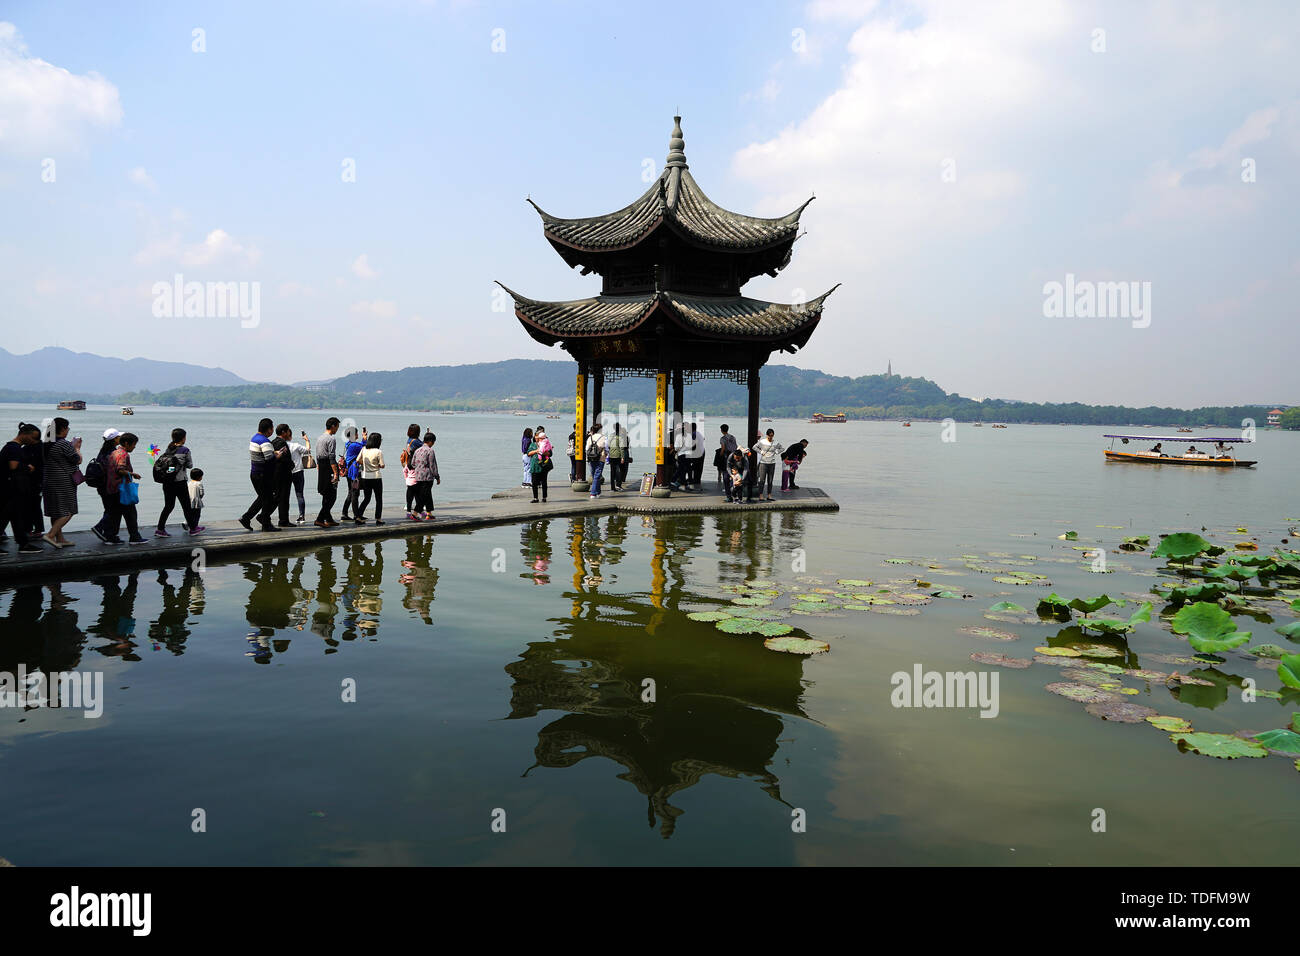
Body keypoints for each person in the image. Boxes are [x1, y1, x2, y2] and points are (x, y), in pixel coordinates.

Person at [41, 417, 82, 549]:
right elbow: (77, 460)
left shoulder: (46, 443)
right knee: (68, 511)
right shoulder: (63, 444)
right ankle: (50, 535)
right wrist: (76, 447)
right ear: (63, 429)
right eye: (67, 428)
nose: (68, 430)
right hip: (63, 481)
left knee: (56, 511)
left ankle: (60, 538)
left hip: (49, 480)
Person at [1, 424, 43, 552]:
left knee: (16, 516)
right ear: (24, 434)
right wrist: (28, 467)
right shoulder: (14, 448)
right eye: (32, 437)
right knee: (6, 516)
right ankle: (23, 543)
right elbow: (13, 466)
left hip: (12, 487)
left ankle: (23, 543)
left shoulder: (13, 447)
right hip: (11, 488)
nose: (33, 441)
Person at [154, 427, 202, 537]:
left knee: (168, 506)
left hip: (167, 482)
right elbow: (190, 465)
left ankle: (160, 529)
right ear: (183, 438)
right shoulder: (185, 450)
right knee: (186, 507)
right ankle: (193, 529)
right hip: (180, 482)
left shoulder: (168, 449)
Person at [239, 418, 281, 532]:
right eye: (272, 428)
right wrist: (277, 455)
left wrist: (273, 453)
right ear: (268, 429)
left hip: (254, 473)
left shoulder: (254, 438)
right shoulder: (265, 441)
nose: (272, 431)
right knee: (267, 499)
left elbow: (261, 454)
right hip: (263, 475)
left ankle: (247, 518)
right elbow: (269, 459)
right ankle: (265, 525)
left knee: (263, 498)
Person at [106, 432, 147, 544]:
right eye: (133, 444)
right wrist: (133, 474)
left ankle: (111, 537)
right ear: (126, 443)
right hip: (122, 489)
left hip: (112, 488)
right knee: (131, 514)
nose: (134, 447)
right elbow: (120, 469)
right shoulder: (123, 454)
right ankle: (134, 537)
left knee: (115, 514)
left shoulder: (114, 452)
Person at [89, 429, 122, 542]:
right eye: (118, 437)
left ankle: (109, 535)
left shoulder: (103, 451)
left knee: (109, 509)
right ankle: (100, 527)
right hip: (110, 486)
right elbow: (115, 470)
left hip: (102, 485)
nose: (120, 439)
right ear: (115, 439)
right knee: (114, 510)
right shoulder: (113, 453)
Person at [314, 418, 342, 528]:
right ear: (333, 426)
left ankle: (328, 519)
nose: (337, 429)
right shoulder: (331, 439)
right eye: (337, 427)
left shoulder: (320, 438)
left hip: (321, 466)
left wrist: (319, 467)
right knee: (332, 496)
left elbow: (317, 455)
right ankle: (320, 519)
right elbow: (331, 457)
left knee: (325, 494)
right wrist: (335, 473)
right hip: (328, 466)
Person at [356, 432, 385, 524]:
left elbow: (357, 460)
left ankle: (358, 516)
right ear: (378, 442)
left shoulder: (364, 449)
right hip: (376, 476)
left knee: (367, 498)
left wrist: (364, 464)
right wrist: (378, 466)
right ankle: (378, 518)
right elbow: (382, 465)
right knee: (378, 498)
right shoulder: (378, 451)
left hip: (365, 477)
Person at [410, 432, 440, 520]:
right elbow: (432, 465)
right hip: (427, 477)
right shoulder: (430, 451)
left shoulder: (417, 450)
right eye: (433, 442)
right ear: (430, 441)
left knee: (427, 494)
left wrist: (419, 468)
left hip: (418, 476)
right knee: (423, 496)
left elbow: (412, 463)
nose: (433, 444)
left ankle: (429, 513)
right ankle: (415, 513)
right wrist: (437, 476)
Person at [339, 426, 365, 522]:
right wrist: (365, 438)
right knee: (355, 493)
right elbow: (365, 447)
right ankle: (356, 516)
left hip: (349, 471)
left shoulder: (348, 443)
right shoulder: (355, 445)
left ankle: (344, 513)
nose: (358, 435)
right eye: (357, 434)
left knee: (351, 492)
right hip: (354, 471)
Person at [751, 428, 784, 502]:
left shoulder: (775, 442)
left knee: (770, 480)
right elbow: (754, 447)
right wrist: (761, 451)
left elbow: (782, 448)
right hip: (763, 463)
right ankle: (761, 495)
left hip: (772, 463)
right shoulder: (762, 442)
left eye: (772, 436)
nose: (771, 437)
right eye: (769, 436)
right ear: (767, 435)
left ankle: (769, 495)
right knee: (762, 480)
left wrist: (777, 451)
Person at [401, 424, 423, 519]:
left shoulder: (409, 440)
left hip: (408, 464)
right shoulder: (417, 442)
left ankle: (409, 510)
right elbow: (425, 447)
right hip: (415, 466)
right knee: (418, 492)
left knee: (410, 491)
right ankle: (418, 511)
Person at [528, 426, 553, 502]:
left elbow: (550, 453)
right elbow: (528, 453)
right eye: (535, 436)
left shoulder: (545, 443)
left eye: (538, 436)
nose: (536, 438)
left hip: (543, 466)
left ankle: (544, 497)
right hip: (534, 465)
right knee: (534, 482)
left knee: (544, 482)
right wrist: (536, 451)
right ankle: (535, 498)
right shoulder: (532, 445)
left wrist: (544, 452)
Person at [587, 423, 608, 498]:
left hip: (591, 458)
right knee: (597, 475)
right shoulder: (604, 437)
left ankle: (598, 492)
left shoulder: (590, 438)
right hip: (601, 458)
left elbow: (586, 448)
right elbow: (607, 448)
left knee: (594, 475)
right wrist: (606, 455)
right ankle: (593, 493)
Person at [607, 422, 627, 491]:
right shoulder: (620, 436)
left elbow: (608, 445)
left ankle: (612, 487)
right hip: (618, 455)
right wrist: (622, 457)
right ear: (620, 428)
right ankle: (618, 485)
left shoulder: (610, 435)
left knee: (612, 471)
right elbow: (622, 448)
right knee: (620, 470)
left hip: (611, 455)